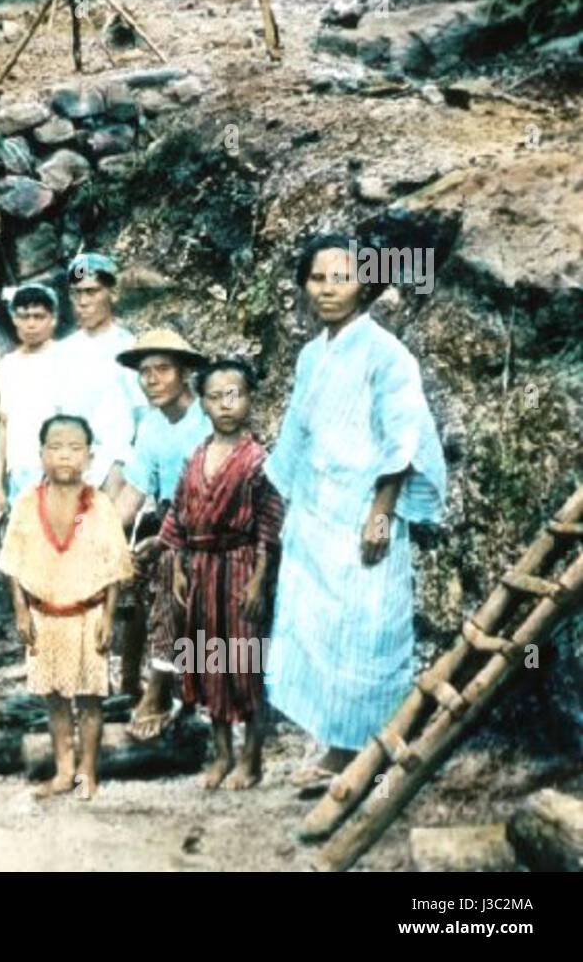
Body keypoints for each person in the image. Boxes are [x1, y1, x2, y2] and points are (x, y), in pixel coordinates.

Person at [264, 234, 446, 789]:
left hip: (366, 507)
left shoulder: (385, 353)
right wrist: (284, 501)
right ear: (304, 285)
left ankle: (370, 751)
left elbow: (404, 433)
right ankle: (338, 746)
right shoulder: (311, 353)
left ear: (364, 282)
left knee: (368, 630)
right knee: (320, 629)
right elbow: (297, 429)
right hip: (318, 509)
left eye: (340, 277)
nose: (327, 289)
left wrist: (382, 511)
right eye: (317, 278)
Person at [158, 358, 284, 790]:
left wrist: (258, 578)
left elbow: (270, 524)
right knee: (206, 663)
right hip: (200, 571)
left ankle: (251, 758)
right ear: (204, 404)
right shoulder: (195, 457)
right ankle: (221, 753)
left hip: (240, 565)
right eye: (216, 397)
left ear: (249, 399)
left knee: (244, 665)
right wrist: (177, 565)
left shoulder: (259, 460)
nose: (226, 405)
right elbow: (178, 513)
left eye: (235, 395)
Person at [0, 414, 134, 800]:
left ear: (90, 457)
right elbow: (13, 562)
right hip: (44, 617)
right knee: (54, 698)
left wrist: (108, 616)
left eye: (74, 449)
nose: (64, 457)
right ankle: (63, 770)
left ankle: (87, 773)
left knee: (90, 700)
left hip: (87, 616)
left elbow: (114, 568)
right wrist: (21, 611)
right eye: (55, 448)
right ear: (41, 455)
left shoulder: (101, 506)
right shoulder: (27, 502)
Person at [113, 328, 211, 736]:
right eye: (145, 371)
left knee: (167, 567)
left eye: (163, 370)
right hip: (170, 522)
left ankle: (159, 689)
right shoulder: (152, 425)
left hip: (214, 526)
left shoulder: (208, 418)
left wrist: (165, 540)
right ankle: (129, 684)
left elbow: (214, 498)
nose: (151, 380)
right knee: (129, 567)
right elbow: (132, 494)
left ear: (185, 372)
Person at [54, 253, 147, 499]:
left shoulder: (129, 349)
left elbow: (144, 417)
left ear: (112, 293)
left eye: (92, 292)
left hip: (116, 463)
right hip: (71, 460)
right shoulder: (62, 352)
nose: (83, 302)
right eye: (77, 293)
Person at [0, 283, 62, 526]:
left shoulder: (65, 357)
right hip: (18, 470)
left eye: (38, 316)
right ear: (14, 318)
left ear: (52, 319)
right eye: (24, 316)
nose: (31, 324)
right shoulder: (7, 365)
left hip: (55, 470)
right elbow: (5, 425)